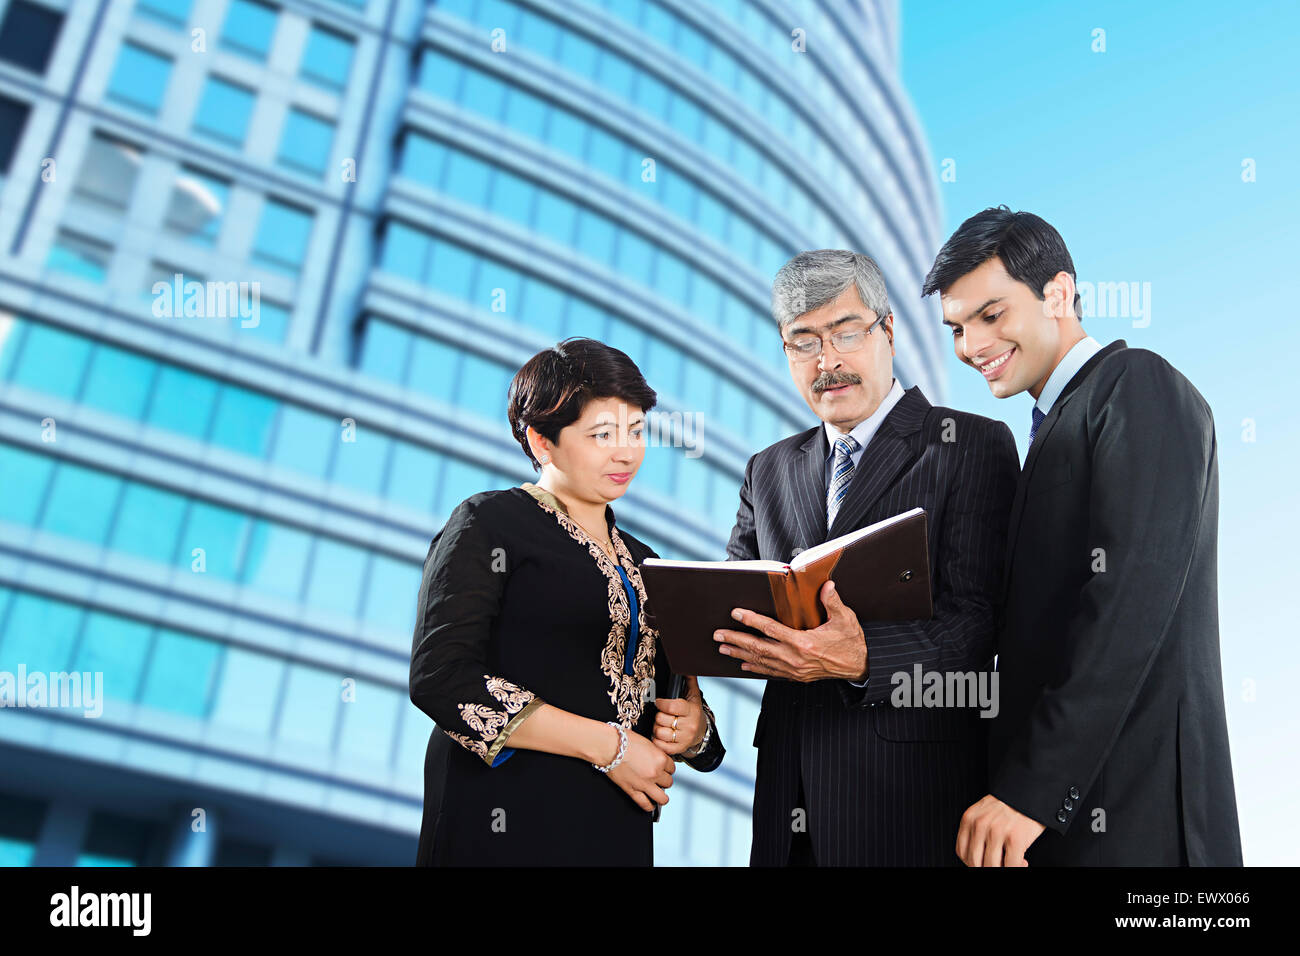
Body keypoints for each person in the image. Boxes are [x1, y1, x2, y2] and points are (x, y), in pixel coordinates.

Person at [924, 206, 1243, 866]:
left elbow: (1130, 600)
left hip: (1138, 818)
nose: (971, 346)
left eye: (991, 315)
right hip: (1068, 823)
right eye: (957, 328)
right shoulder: (1050, 429)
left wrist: (1034, 789)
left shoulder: (1137, 386)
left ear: (1059, 293)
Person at [713, 250, 1019, 865]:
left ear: (889, 333)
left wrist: (863, 659)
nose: (827, 362)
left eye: (846, 333)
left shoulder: (969, 446)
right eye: (803, 342)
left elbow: (980, 622)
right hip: (787, 795)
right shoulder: (768, 469)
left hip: (912, 797)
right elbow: (731, 601)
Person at [409, 337, 724, 866]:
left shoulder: (653, 566)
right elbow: (442, 678)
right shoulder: (488, 524)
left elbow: (690, 718)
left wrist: (694, 731)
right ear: (540, 441)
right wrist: (611, 748)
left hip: (614, 834)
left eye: (637, 432)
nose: (626, 452)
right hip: (501, 826)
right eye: (602, 434)